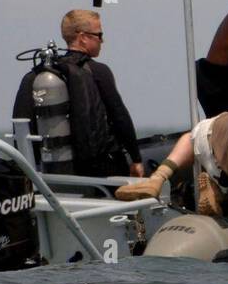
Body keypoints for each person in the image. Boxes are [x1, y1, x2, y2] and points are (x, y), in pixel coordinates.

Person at [13, 10, 143, 178]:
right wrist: (136, 159)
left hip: (50, 172)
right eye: (99, 34)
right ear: (82, 37)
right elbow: (120, 117)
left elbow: (21, 126)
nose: (102, 40)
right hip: (97, 171)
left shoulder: (36, 76)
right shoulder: (98, 71)